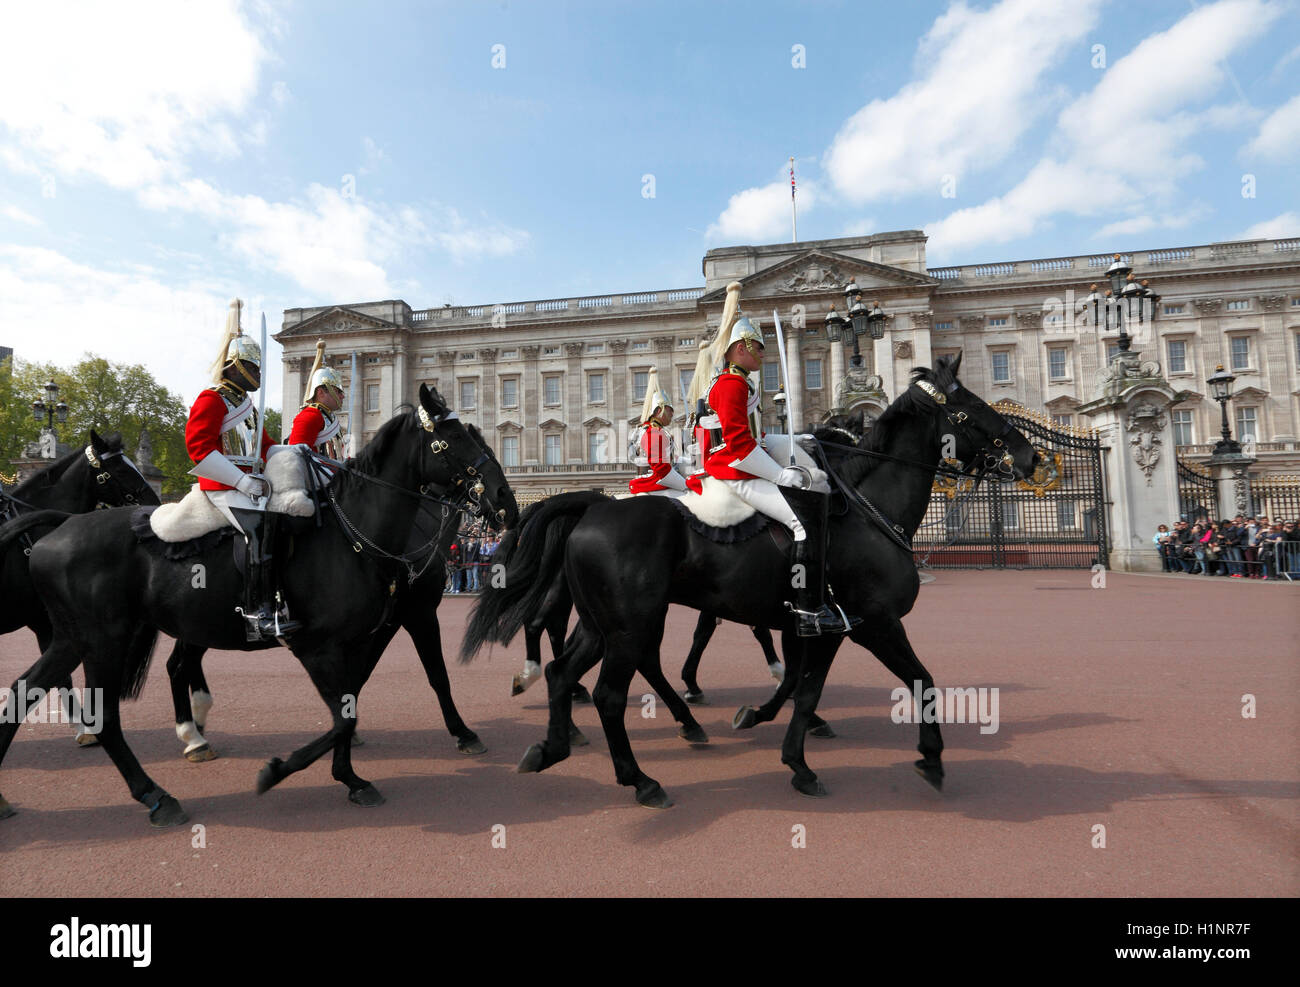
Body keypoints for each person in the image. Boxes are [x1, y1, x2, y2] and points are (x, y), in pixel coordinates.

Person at [688, 281, 860, 638]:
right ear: (740, 349)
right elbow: (737, 446)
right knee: (802, 522)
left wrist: (797, 439)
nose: (763, 355)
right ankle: (808, 609)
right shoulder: (732, 385)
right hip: (735, 470)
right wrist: (781, 474)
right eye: (758, 348)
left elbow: (754, 436)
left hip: (737, 463)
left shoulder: (734, 382)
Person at [185, 299, 300, 640]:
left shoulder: (246, 406)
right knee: (261, 529)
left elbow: (265, 448)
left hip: (248, 484)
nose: (261, 375)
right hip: (221, 485)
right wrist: (239, 480)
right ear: (234, 366)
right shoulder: (212, 399)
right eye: (255, 367)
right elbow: (199, 450)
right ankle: (256, 610)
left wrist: (298, 455)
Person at [628, 367, 687, 495]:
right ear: (659, 411)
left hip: (657, 481)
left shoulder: (651, 429)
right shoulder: (654, 432)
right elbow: (661, 468)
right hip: (655, 483)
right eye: (669, 409)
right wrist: (685, 485)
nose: (672, 413)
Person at [288, 338, 347, 458]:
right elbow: (295, 458)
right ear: (320, 393)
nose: (342, 396)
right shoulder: (310, 415)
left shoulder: (330, 418)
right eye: (337, 391)